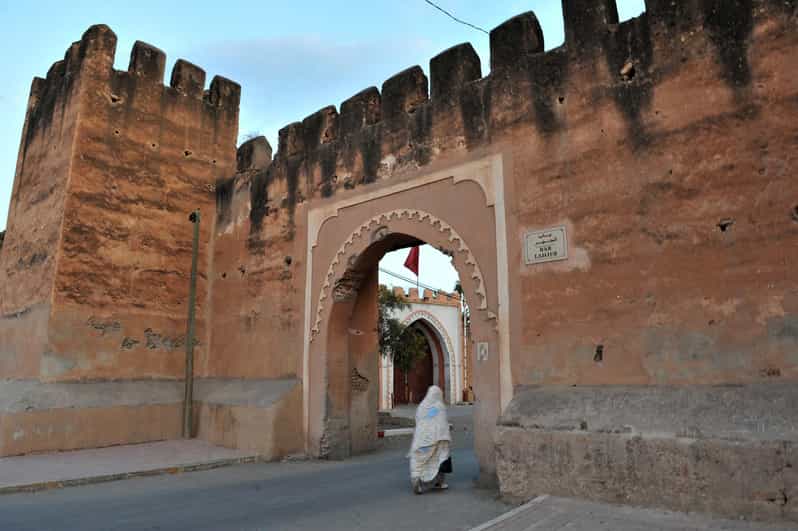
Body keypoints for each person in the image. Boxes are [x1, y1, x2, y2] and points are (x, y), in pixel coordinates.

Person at [408, 385, 452, 494]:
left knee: (418, 460)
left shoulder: (422, 406)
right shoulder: (439, 406)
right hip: (436, 439)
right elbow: (441, 422)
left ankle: (415, 479)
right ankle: (439, 482)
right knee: (441, 457)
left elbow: (419, 420)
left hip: (421, 440)